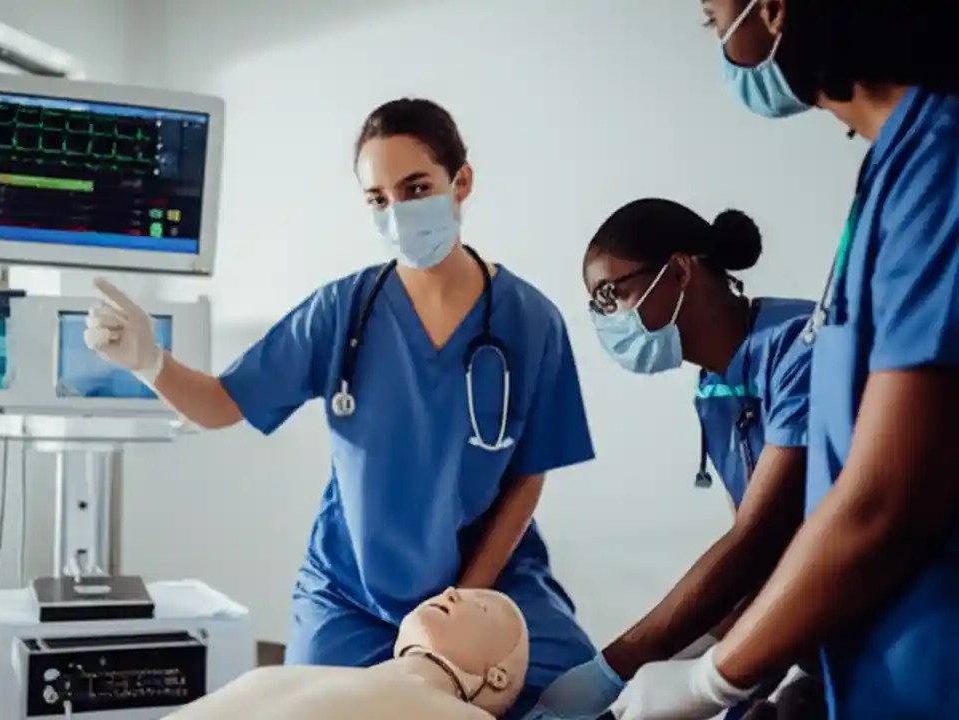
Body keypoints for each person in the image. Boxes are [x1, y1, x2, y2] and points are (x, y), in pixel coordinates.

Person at [84, 98, 597, 716]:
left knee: (572, 698)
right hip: (354, 590)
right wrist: (150, 362)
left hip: (487, 582)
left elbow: (527, 475)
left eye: (416, 188)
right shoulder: (343, 312)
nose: (398, 211)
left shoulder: (528, 320)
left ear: (461, 183)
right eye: (378, 198)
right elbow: (222, 404)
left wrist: (465, 602)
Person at [608, 1, 959, 718]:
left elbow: (882, 499)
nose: (725, 46)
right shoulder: (888, 176)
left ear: (771, 8)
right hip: (870, 668)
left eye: (715, 18)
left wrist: (713, 676)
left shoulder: (941, 160)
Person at [526, 200, 824, 720]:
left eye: (610, 294)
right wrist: (697, 664)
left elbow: (757, 541)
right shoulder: (716, 388)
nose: (606, 317)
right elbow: (753, 578)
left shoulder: (800, 348)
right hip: (803, 614)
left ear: (680, 269)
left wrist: (614, 669)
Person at [170, 587, 529, 719]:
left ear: (497, 676)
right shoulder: (318, 676)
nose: (450, 592)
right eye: (455, 591)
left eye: (481, 606)